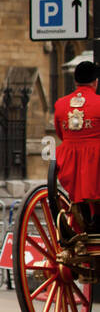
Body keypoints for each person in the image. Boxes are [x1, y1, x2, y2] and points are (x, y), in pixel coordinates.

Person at [52, 60, 100, 223]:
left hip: (69, 165)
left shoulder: (61, 104)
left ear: (75, 81)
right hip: (95, 167)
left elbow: (61, 134)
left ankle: (83, 216)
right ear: (95, 82)